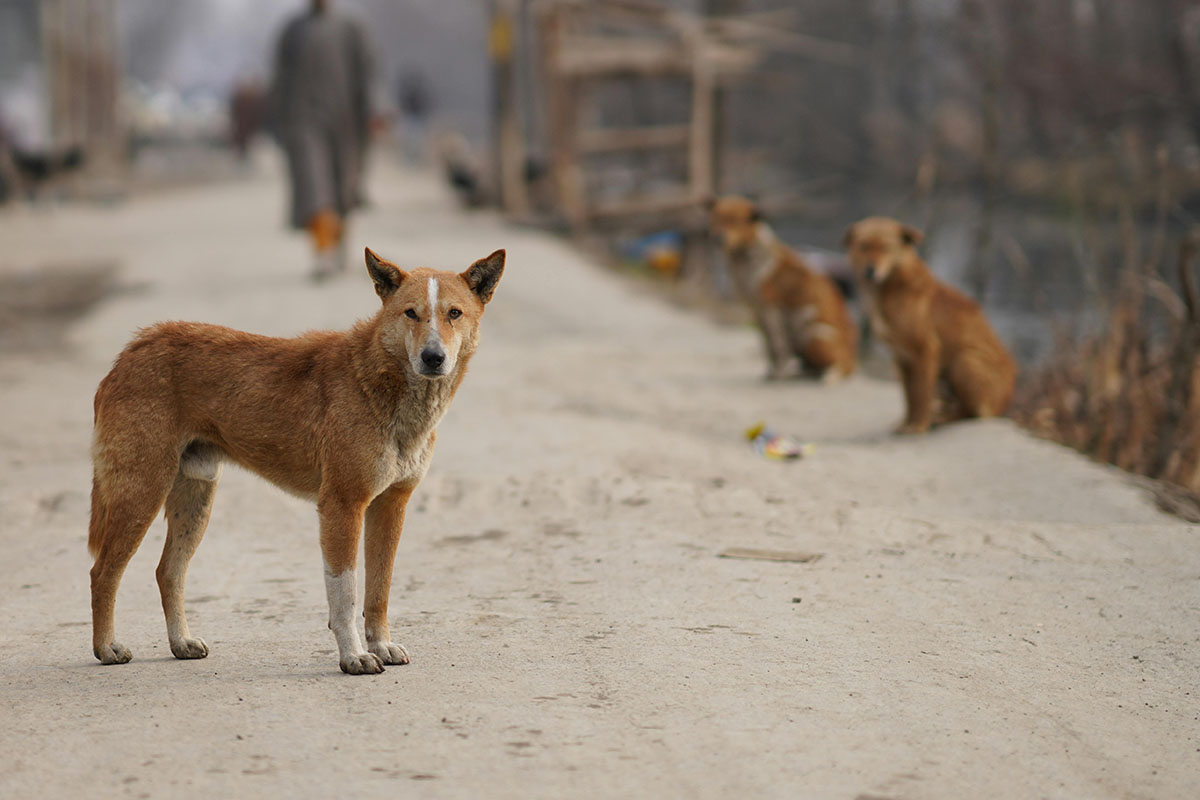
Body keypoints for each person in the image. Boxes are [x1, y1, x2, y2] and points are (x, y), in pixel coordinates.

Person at [269, 0, 374, 279]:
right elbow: (280, 79)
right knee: (315, 188)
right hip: (303, 120)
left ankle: (339, 241)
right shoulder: (293, 30)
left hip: (345, 121)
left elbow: (368, 75)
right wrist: (278, 120)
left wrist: (373, 112)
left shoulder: (351, 28)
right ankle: (323, 251)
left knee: (343, 189)